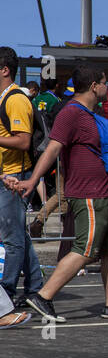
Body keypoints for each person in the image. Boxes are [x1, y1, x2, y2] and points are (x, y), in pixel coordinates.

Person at [7, 64, 108, 322]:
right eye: (105, 82)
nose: (107, 87)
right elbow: (53, 149)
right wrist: (33, 181)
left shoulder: (91, 114)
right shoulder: (71, 113)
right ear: (94, 86)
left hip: (106, 192)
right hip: (88, 194)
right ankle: (42, 296)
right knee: (87, 248)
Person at [0, 46, 44, 309]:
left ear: (4, 70)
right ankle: (35, 287)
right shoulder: (5, 98)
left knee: (12, 237)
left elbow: (23, 141)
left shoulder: (15, 99)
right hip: (8, 173)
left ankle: (5, 292)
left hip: (16, 174)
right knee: (17, 235)